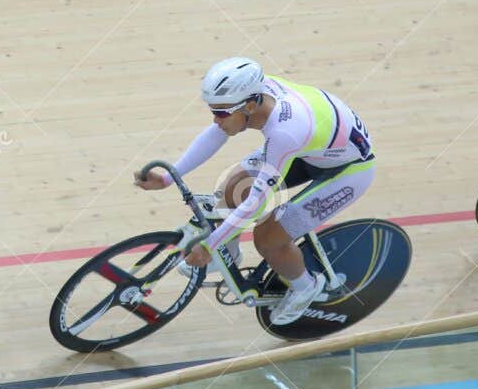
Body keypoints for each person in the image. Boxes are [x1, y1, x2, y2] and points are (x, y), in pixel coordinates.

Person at [134, 57, 376, 325]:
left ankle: (307, 287)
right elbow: (218, 132)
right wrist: (169, 177)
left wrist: (209, 245)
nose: (215, 119)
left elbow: (255, 204)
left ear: (249, 106)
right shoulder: (256, 93)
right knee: (232, 188)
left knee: (268, 238)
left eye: (221, 113)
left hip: (349, 171)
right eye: (213, 110)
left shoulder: (284, 132)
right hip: (311, 150)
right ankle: (229, 254)